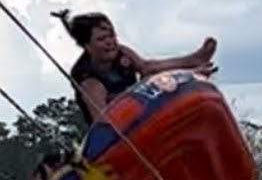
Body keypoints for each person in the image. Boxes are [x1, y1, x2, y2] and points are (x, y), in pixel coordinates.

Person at [51, 9, 219, 126]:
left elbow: (147, 68)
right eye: (101, 39)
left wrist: (188, 72)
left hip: (139, 107)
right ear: (87, 46)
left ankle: (194, 59)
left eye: (112, 36)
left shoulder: (122, 53)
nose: (110, 42)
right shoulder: (89, 79)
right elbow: (102, 121)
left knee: (149, 74)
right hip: (119, 123)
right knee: (148, 83)